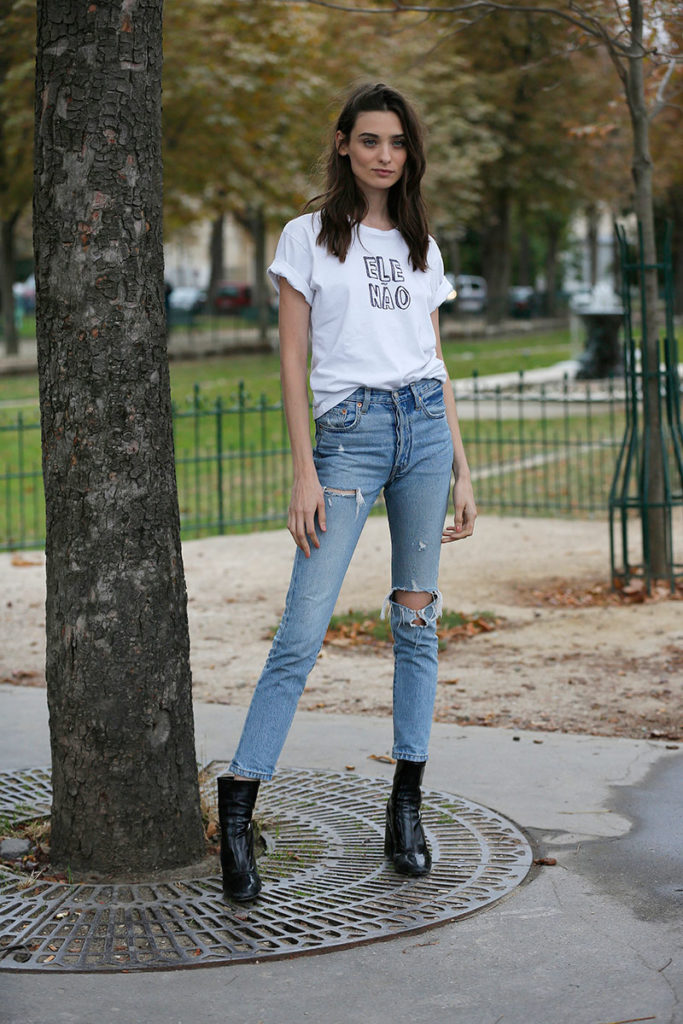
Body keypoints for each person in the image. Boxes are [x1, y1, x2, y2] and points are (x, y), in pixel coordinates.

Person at [217, 83, 477, 902]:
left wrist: (462, 468)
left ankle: (405, 805)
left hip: (424, 433)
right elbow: (291, 361)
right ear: (342, 146)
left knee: (416, 623)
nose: (383, 154)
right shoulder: (306, 238)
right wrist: (304, 471)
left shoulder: (420, 244)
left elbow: (433, 362)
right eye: (369, 141)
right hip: (350, 437)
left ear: (409, 152)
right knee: (301, 631)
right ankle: (238, 801)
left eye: (395, 142)